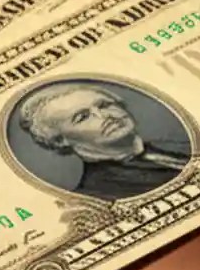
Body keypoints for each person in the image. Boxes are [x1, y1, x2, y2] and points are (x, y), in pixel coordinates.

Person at [18, 83, 189, 200]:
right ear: (60, 140)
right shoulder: (102, 193)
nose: (105, 115)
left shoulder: (180, 146)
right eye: (83, 117)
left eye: (104, 105)